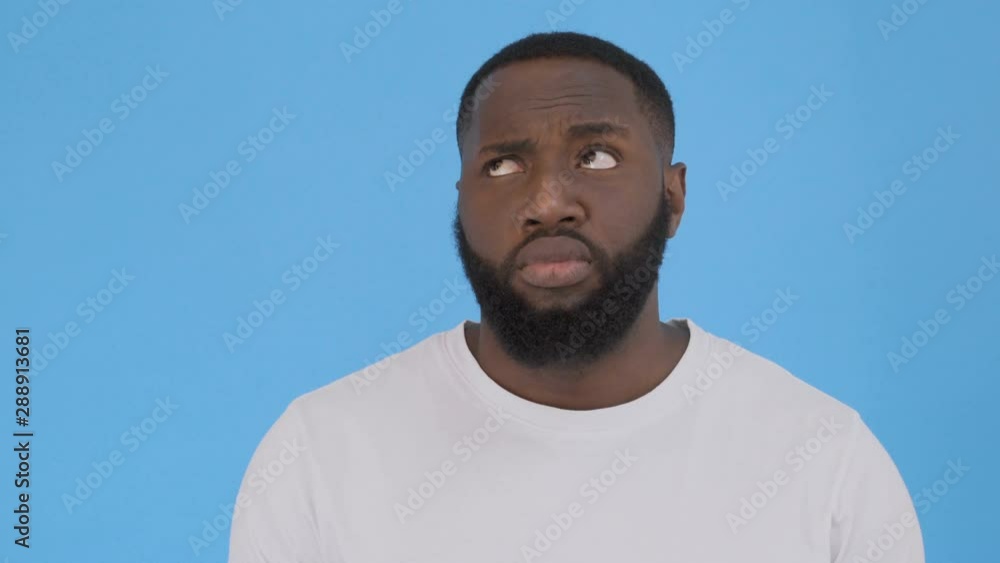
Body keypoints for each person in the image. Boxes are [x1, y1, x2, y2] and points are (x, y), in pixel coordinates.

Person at [228, 31, 924, 562]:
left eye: (596, 156)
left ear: (673, 195)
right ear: (461, 202)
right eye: (503, 164)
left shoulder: (824, 460)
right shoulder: (320, 453)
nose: (548, 202)